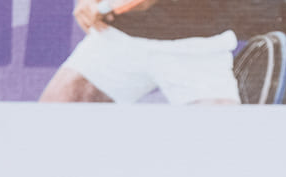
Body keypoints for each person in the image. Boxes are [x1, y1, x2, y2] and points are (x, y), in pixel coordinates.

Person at [41, 0, 245, 103]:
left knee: (219, 145)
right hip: (118, 39)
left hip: (197, 48)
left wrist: (111, 3)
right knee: (51, 115)